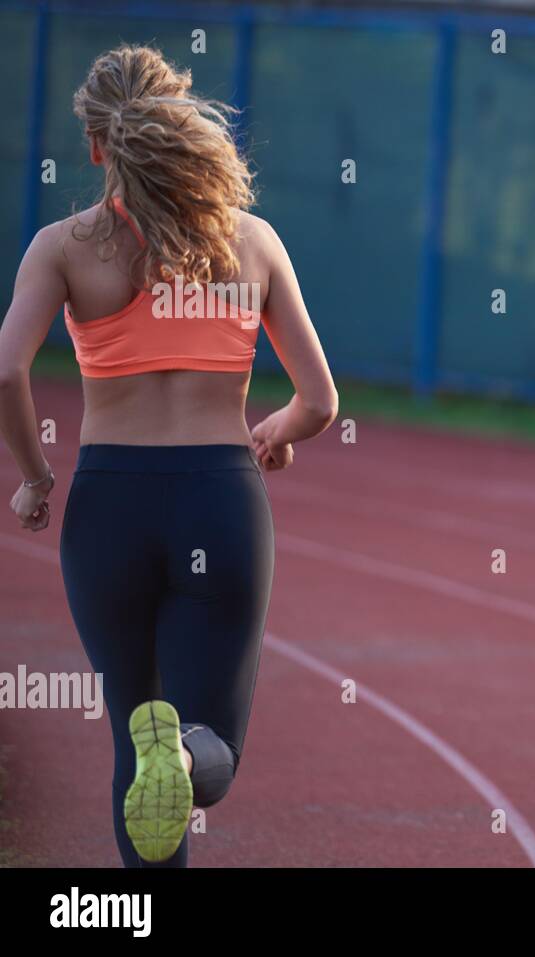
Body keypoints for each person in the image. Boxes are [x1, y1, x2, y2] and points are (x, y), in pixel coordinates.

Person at [0, 45, 338, 866]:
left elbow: (7, 365)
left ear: (93, 144)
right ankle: (180, 756)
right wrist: (277, 431)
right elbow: (320, 400)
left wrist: (35, 477)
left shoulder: (63, 245)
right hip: (218, 499)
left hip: (109, 504)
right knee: (203, 739)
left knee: (132, 730)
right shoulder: (250, 243)